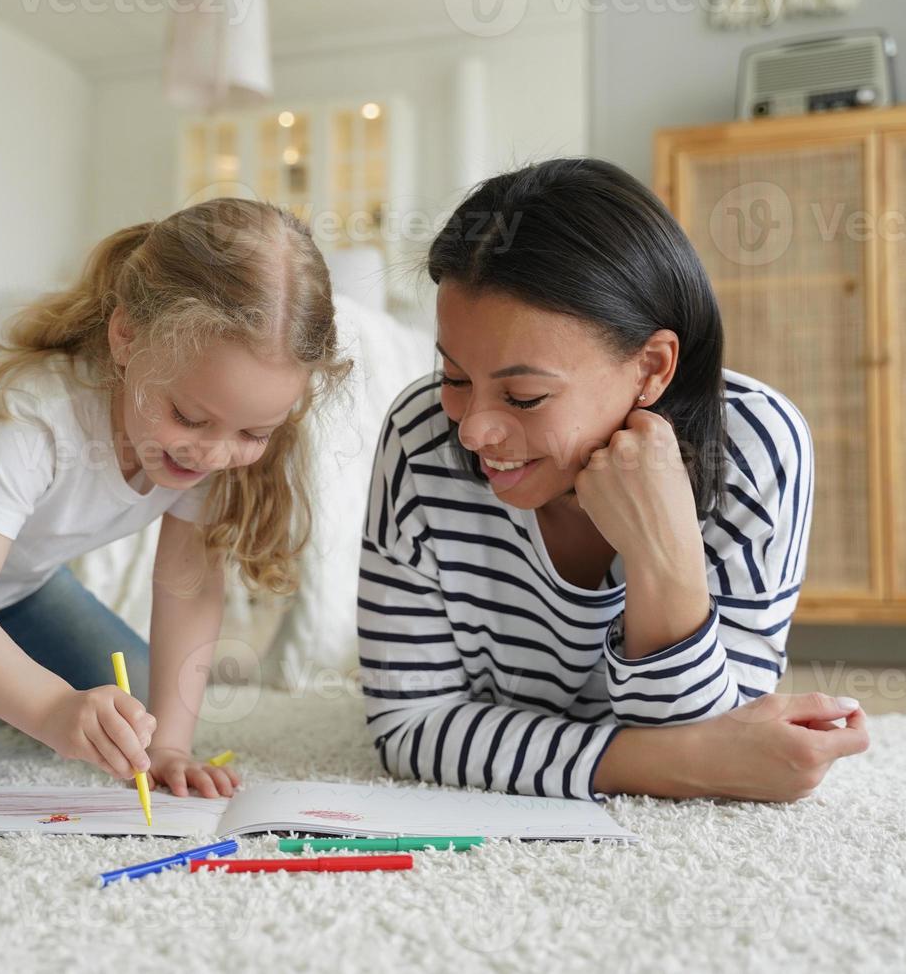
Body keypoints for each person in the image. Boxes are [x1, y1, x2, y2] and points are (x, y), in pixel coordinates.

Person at [358, 159, 867, 803]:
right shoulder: (417, 435)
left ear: (651, 367)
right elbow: (410, 726)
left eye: (524, 396)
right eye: (455, 377)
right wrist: (659, 764)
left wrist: (663, 552)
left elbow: (716, 734)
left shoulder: (757, 445)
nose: (471, 431)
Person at [0, 198, 348, 794]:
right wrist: (47, 710)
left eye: (253, 434)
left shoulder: (211, 425)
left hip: (20, 580)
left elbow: (188, 587)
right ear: (125, 337)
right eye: (189, 417)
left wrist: (171, 744)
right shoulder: (28, 418)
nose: (214, 454)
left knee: (143, 711)